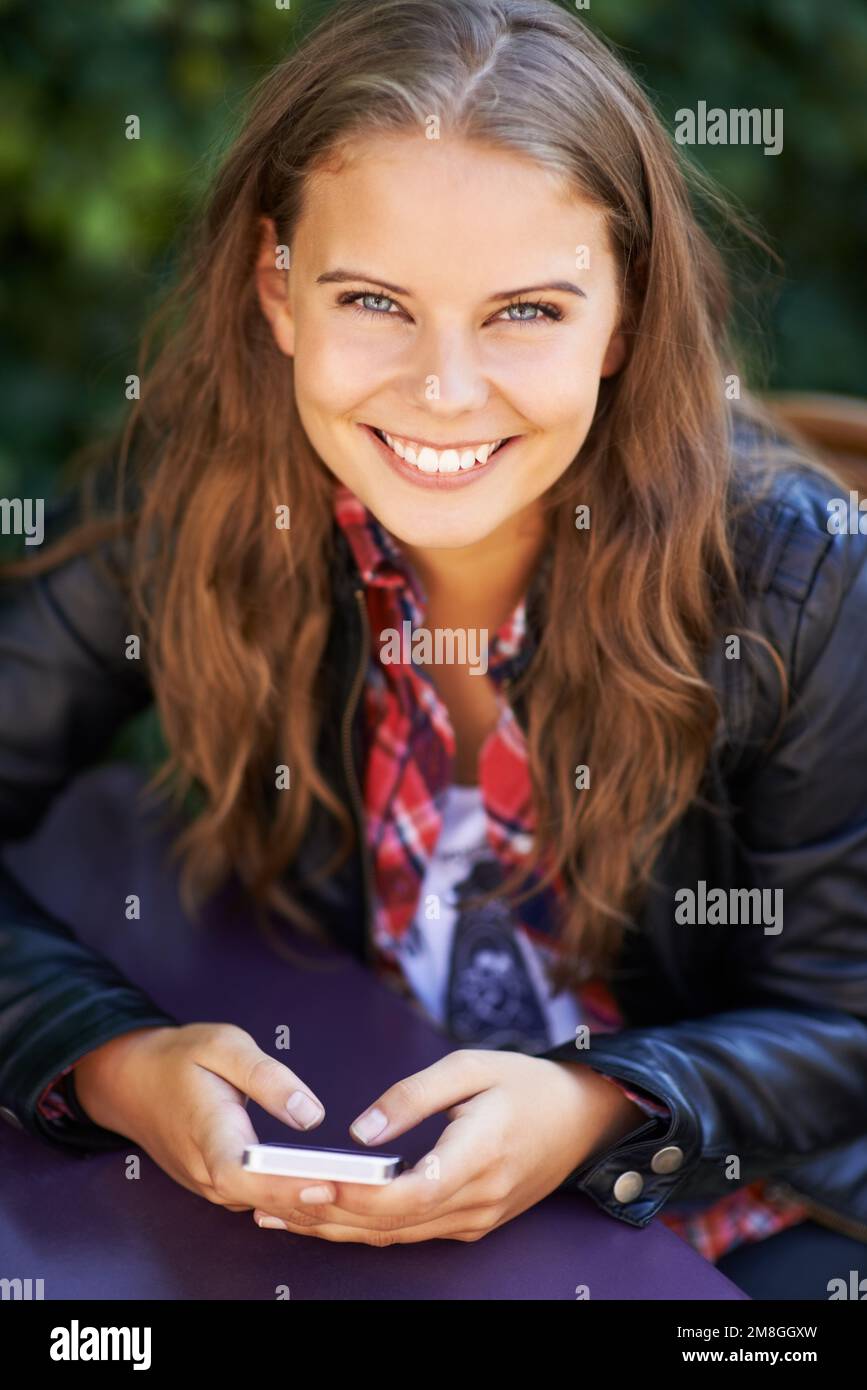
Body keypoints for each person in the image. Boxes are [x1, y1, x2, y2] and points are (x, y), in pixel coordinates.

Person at [2, 0, 866, 1298]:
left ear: (622, 318)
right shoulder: (188, 505)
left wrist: (593, 1109)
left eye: (526, 310)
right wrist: (112, 1065)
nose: (446, 391)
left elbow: (844, 1019)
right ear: (277, 286)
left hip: (762, 1212)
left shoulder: (799, 570)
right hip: (365, 1148)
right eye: (374, 300)